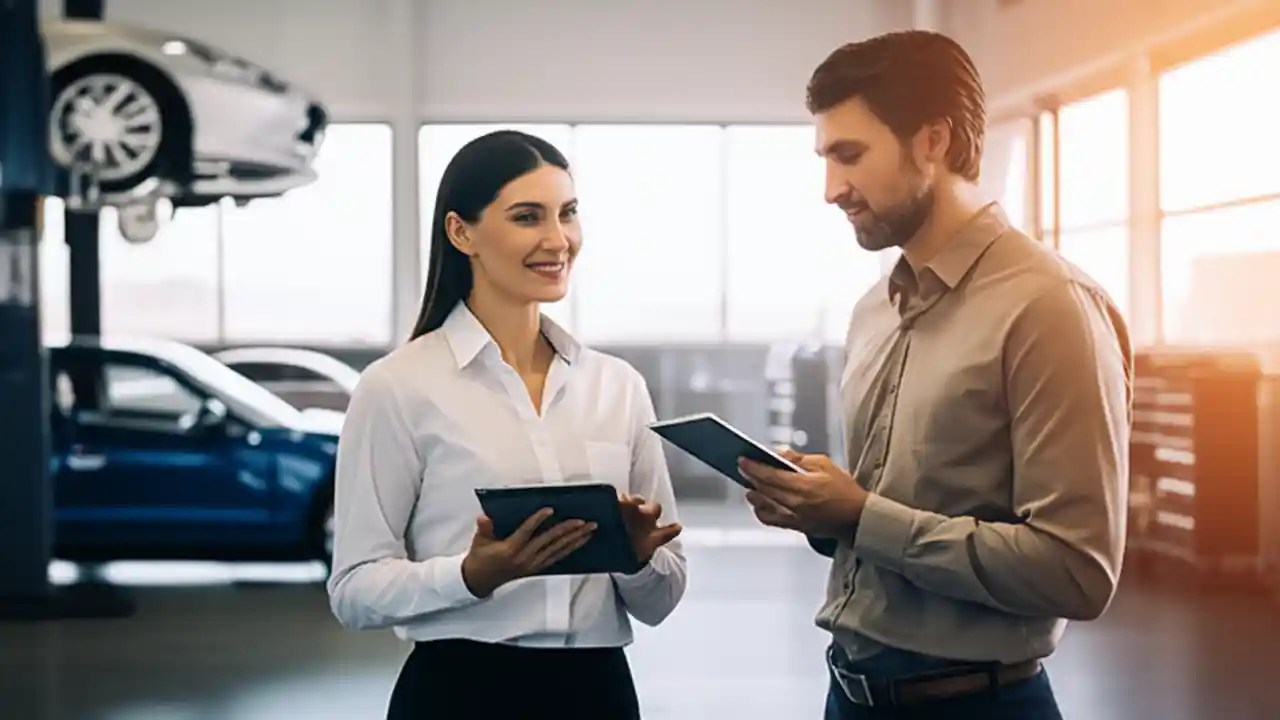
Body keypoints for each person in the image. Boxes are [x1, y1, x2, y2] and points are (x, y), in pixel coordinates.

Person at [737, 31, 1132, 719]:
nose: (831, 190)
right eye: (825, 158)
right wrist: (821, 512)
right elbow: (886, 510)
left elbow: (1077, 571)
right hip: (849, 696)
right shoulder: (873, 311)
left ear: (933, 142)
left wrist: (862, 514)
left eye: (849, 155)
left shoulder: (1050, 308)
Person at [327, 130, 687, 720]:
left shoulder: (617, 386)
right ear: (461, 232)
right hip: (458, 692)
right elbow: (353, 592)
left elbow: (661, 601)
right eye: (527, 216)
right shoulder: (398, 386)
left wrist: (638, 560)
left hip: (598, 694)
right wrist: (469, 576)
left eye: (567, 213)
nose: (558, 239)